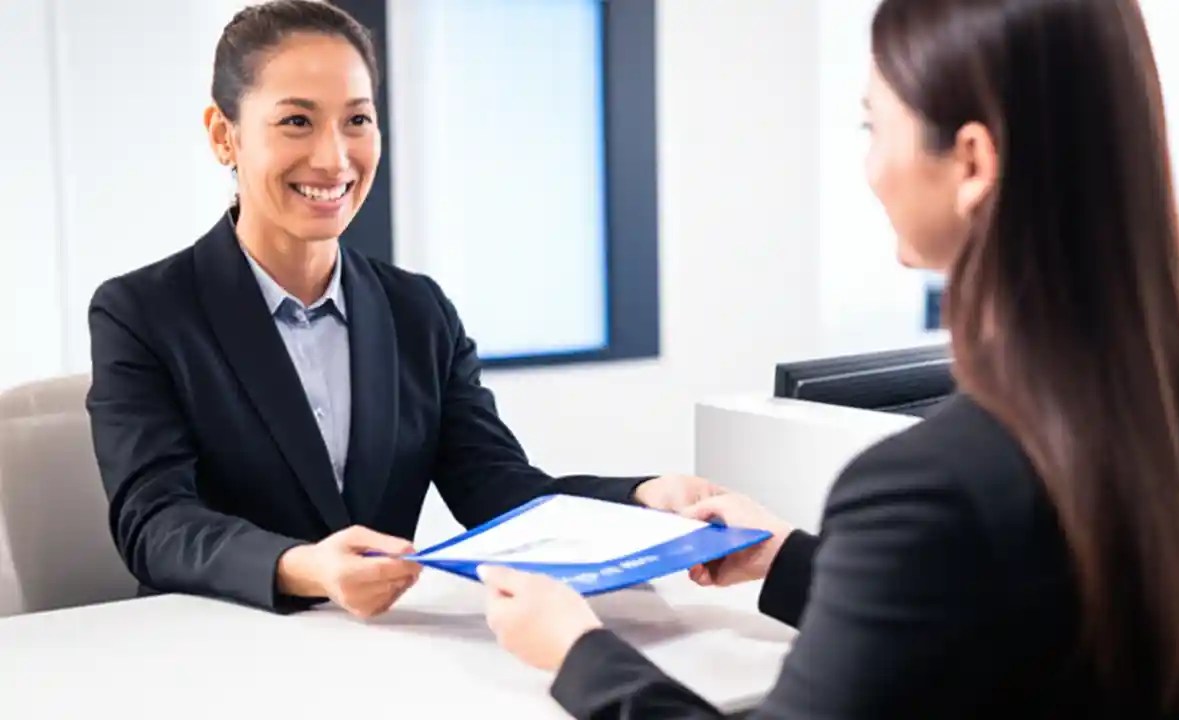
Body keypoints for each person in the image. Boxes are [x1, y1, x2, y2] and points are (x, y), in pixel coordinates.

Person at [478, 0, 1179, 716]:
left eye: (874, 128)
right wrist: (787, 557)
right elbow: (1020, 622)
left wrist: (578, 654)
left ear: (972, 162)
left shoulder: (932, 484)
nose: (869, 169)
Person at [86, 0, 719, 619]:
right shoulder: (142, 312)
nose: (334, 158)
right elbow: (155, 523)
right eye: (297, 122)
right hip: (211, 649)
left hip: (380, 650)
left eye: (357, 120)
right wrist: (305, 567)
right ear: (225, 136)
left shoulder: (418, 311)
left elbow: (497, 487)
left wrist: (639, 499)